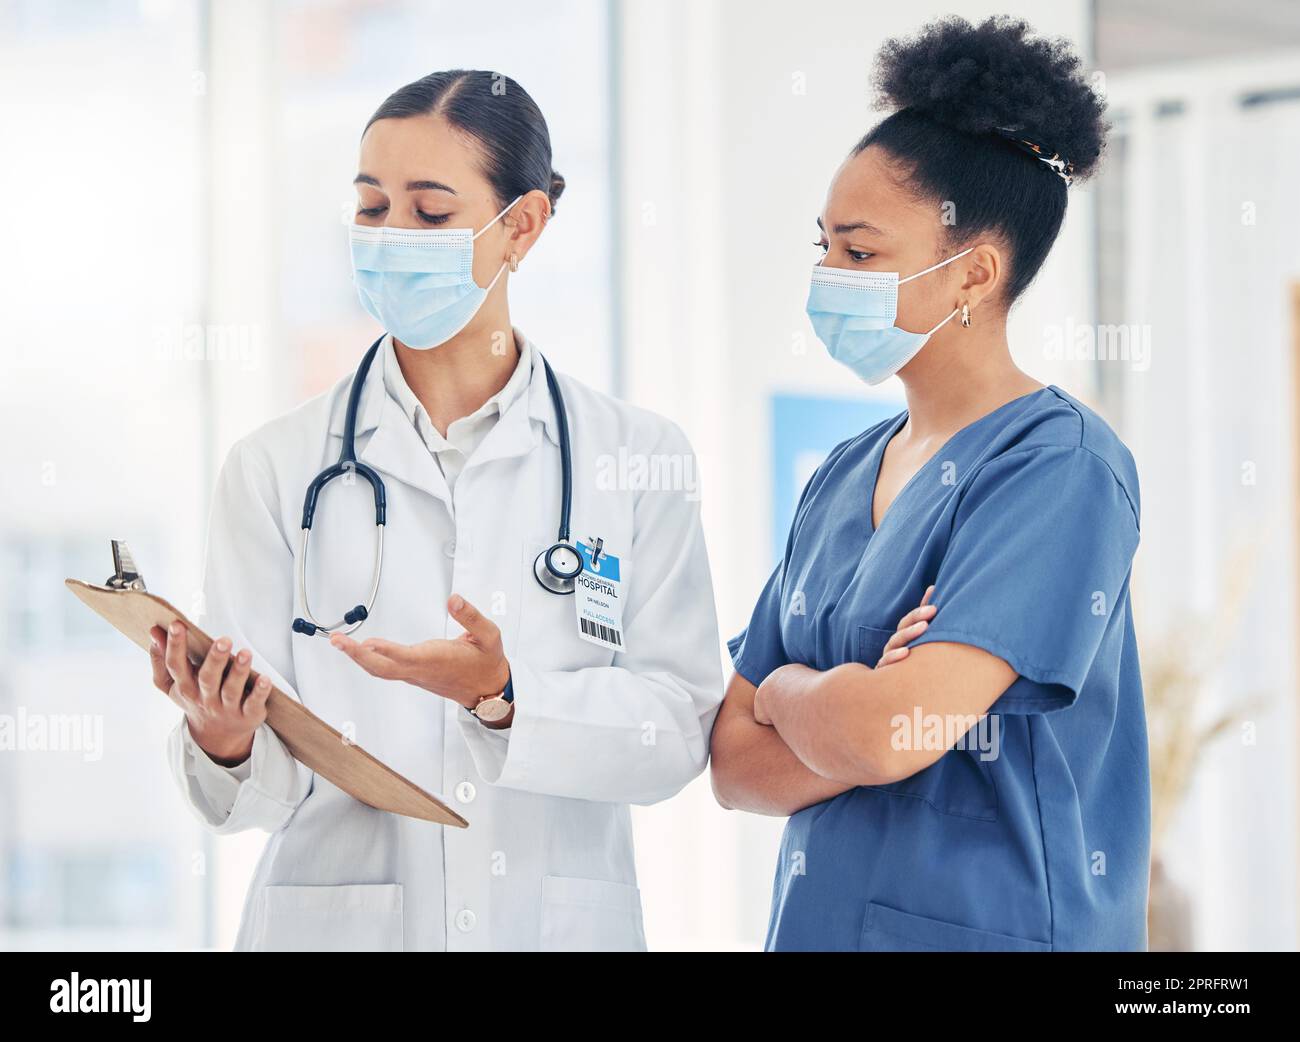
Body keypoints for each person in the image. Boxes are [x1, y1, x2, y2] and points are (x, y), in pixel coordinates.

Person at [147, 69, 722, 952]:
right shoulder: (274, 467)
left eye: (429, 211)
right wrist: (224, 737)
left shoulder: (637, 458)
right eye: (372, 208)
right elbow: (264, 795)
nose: (390, 237)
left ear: (521, 226)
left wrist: (503, 699)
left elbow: (675, 733)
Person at [710, 17, 1148, 951]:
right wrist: (853, 700)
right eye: (823, 245)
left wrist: (789, 690)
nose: (827, 275)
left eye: (861, 253)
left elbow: (884, 735)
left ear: (974, 274)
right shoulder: (841, 475)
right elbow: (734, 767)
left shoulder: (1057, 468)